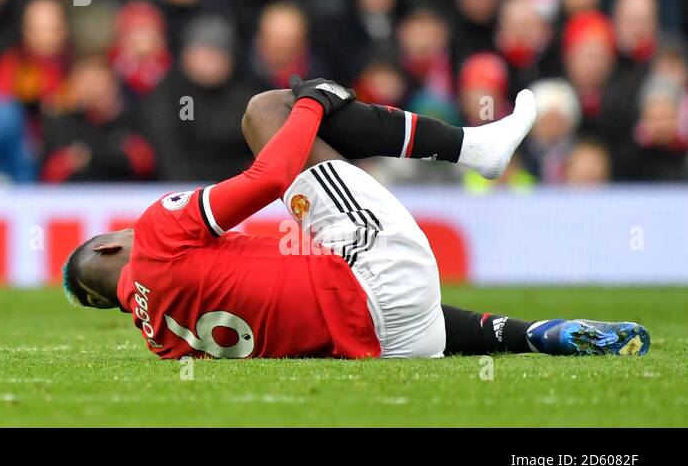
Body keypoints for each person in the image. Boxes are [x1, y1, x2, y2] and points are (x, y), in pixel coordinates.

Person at [63, 78, 651, 359]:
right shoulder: (156, 235)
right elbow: (267, 180)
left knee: (413, 314)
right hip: (374, 270)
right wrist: (317, 100)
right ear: (111, 251)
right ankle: (474, 148)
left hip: (382, 339)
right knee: (269, 108)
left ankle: (538, 335)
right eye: (116, 234)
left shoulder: (164, 342)